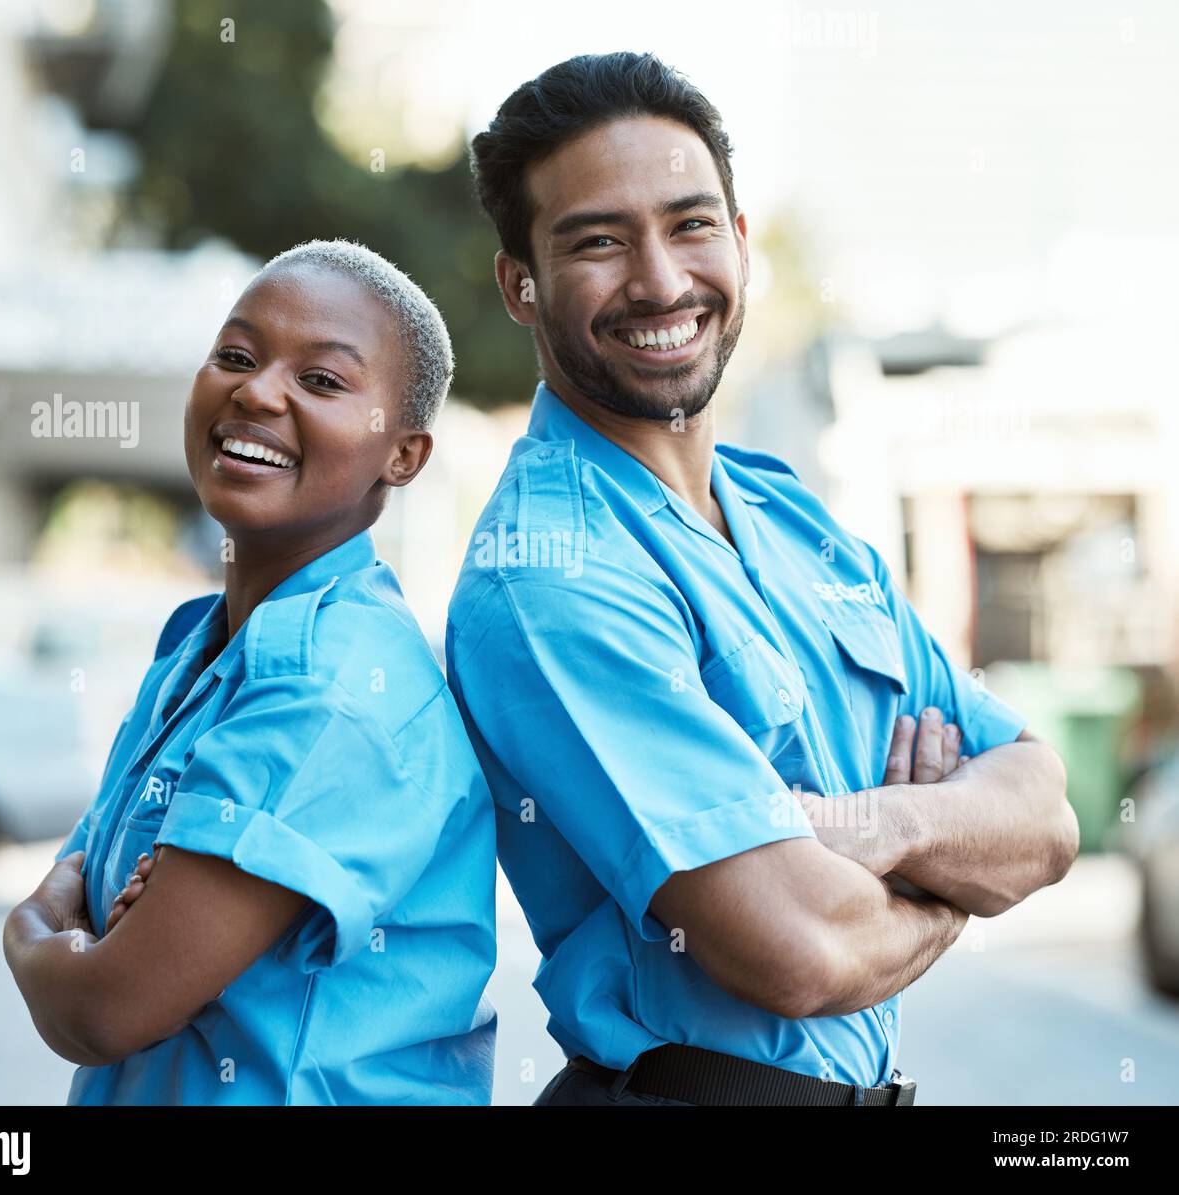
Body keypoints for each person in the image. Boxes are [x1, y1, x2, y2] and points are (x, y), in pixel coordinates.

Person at [446, 52, 1078, 1107]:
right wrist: (956, 878)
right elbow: (800, 951)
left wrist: (878, 830)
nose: (659, 280)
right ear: (522, 286)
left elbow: (1047, 813)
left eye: (690, 224)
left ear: (739, 244)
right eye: (598, 242)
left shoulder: (788, 516)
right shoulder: (548, 577)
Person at [4, 239, 497, 1105]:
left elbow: (103, 1006)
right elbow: (98, 890)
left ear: (404, 456)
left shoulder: (334, 689)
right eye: (236, 355)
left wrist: (29, 928)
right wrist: (92, 924)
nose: (258, 391)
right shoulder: (204, 648)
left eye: (323, 381)